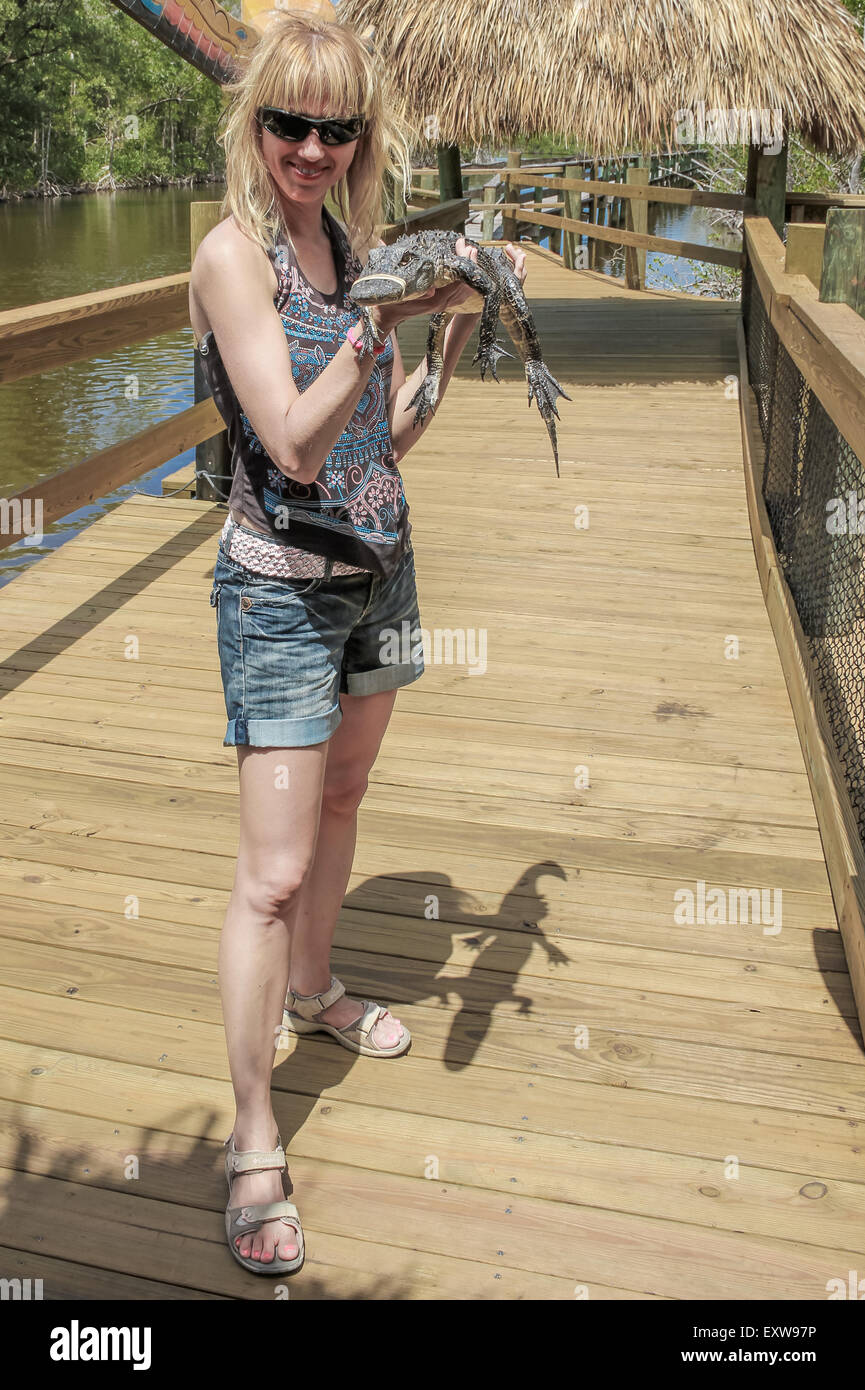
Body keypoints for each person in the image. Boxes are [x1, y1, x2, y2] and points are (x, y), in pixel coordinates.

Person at [189, 11, 527, 1275]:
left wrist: (450, 334)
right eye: (291, 121)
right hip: (279, 591)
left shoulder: (354, 247)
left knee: (344, 795)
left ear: (361, 138)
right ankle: (249, 1137)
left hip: (379, 576)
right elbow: (288, 442)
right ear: (257, 121)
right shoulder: (237, 259)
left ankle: (313, 989)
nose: (312, 147)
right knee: (265, 873)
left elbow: (384, 440)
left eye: (338, 127)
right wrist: (385, 319)